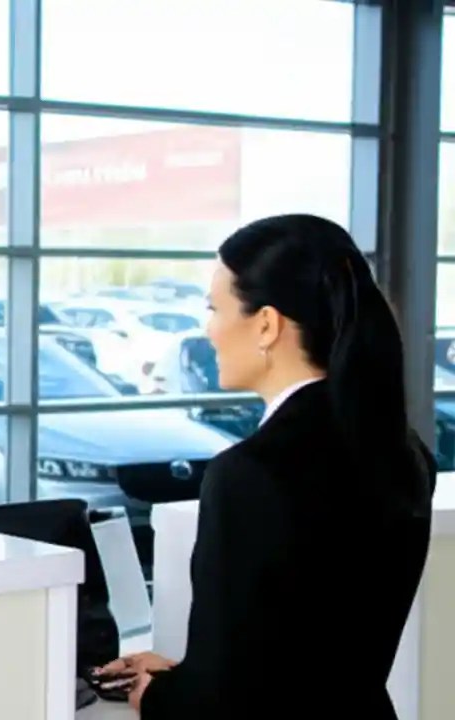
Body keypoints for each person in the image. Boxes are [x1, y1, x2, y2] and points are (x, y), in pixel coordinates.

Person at [94, 214, 436, 718]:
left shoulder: (250, 474)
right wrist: (187, 675)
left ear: (267, 325)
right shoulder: (404, 452)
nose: (207, 330)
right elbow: (303, 658)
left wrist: (158, 694)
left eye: (215, 308)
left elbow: (226, 704)